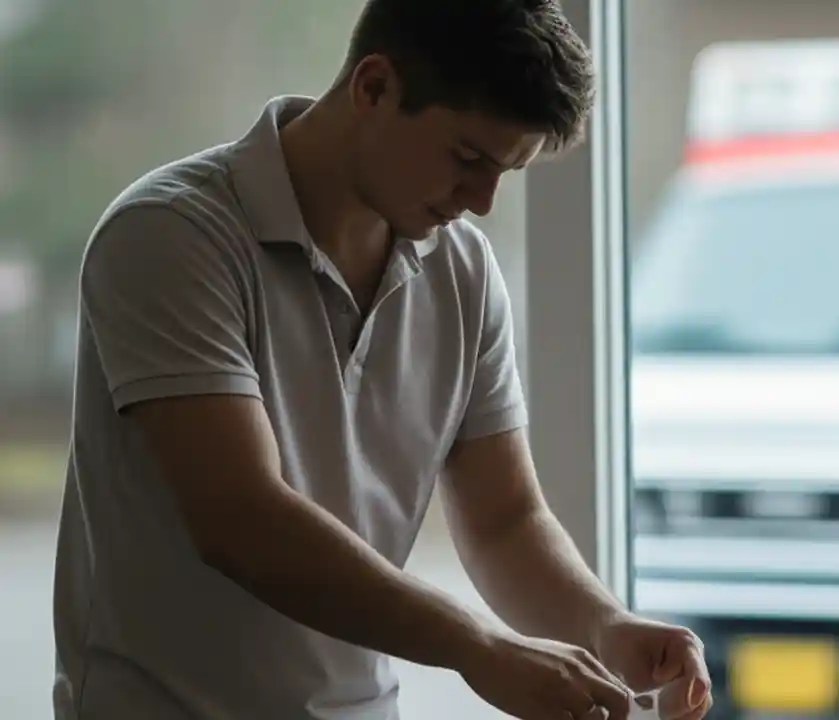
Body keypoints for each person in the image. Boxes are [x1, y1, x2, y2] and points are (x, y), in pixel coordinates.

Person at [50, 1, 714, 718]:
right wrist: (477, 645)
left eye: (506, 172)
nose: (483, 202)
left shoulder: (463, 272)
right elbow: (241, 520)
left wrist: (603, 625)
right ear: (374, 87)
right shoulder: (170, 237)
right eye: (468, 159)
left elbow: (505, 521)